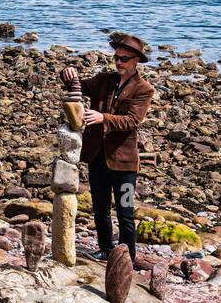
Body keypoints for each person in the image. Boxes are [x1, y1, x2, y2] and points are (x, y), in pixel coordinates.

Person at [60, 32, 154, 265]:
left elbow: (132, 121)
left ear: (136, 61)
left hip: (124, 162)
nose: (119, 62)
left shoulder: (144, 89)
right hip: (97, 157)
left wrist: (103, 118)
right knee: (100, 208)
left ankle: (127, 257)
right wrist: (67, 74)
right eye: (117, 58)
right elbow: (78, 85)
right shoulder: (104, 80)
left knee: (125, 212)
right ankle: (105, 249)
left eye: (124, 59)